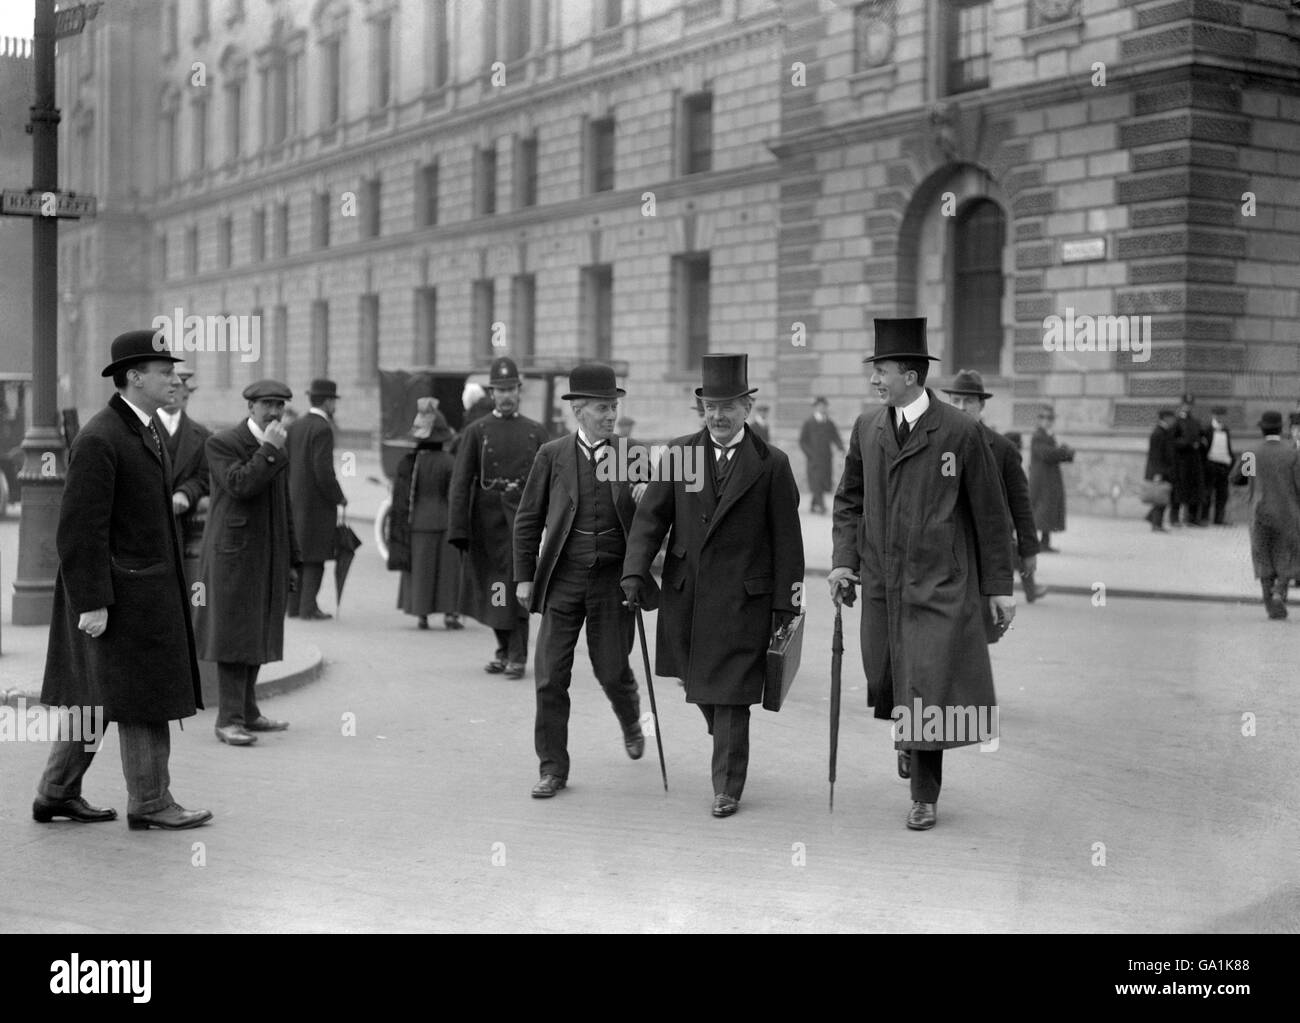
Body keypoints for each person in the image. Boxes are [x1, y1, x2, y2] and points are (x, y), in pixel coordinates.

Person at [829, 318, 1014, 832]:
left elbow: (990, 515)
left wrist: (998, 588)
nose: (874, 380)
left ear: (911, 375)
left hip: (938, 585)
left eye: (882, 370)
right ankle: (909, 737)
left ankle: (924, 794)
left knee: (928, 687)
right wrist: (845, 559)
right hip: (883, 584)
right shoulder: (868, 427)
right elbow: (849, 501)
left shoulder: (960, 431)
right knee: (887, 676)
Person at [34, 330, 212, 831]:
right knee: (143, 699)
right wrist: (91, 602)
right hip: (117, 596)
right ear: (134, 377)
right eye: (165, 371)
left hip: (138, 591)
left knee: (97, 697)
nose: (175, 379)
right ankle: (151, 802)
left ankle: (55, 792)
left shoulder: (142, 428)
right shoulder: (101, 437)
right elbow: (78, 530)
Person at [623, 354, 804, 818]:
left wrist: (787, 605)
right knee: (702, 688)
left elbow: (787, 541)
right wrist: (634, 571)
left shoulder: (771, 464)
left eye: (728, 406)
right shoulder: (681, 455)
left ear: (747, 407)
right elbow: (650, 520)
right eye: (710, 407)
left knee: (732, 696)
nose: (718, 416)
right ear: (701, 409)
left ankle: (727, 785)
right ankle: (723, 734)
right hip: (689, 596)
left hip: (746, 600)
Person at [515, 363, 654, 798]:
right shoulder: (552, 455)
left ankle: (630, 718)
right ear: (578, 410)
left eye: (614, 407)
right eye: (601, 408)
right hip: (563, 578)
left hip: (613, 579)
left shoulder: (631, 453)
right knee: (550, 675)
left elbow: (659, 514)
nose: (611, 416)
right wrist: (523, 577)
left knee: (612, 670)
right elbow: (528, 519)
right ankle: (552, 767)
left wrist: (648, 495)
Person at [196, 380, 298, 746]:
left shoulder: (277, 446)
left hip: (268, 553)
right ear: (251, 407)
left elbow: (285, 504)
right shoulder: (222, 442)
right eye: (268, 404)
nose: (274, 412)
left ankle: (249, 712)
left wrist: (293, 557)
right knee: (234, 636)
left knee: (258, 632)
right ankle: (228, 719)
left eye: (280, 405)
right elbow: (240, 485)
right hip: (233, 556)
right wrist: (270, 450)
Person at [449, 357, 550, 679]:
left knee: (520, 586)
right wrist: (459, 528)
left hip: (522, 523)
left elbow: (552, 482)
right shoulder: (476, 432)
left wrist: (551, 523)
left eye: (511, 389)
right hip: (486, 524)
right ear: (492, 393)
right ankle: (503, 649)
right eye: (500, 390)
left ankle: (518, 655)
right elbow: (461, 482)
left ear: (519, 391)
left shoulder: (536, 432)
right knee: (495, 589)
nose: (506, 396)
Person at [942, 370, 1046, 602]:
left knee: (980, 625)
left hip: (987, 551)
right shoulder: (938, 444)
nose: (961, 407)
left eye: (968, 401)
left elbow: (1021, 503)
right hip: (946, 551)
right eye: (955, 400)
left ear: (981, 405)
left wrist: (1029, 549)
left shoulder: (1003, 449)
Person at [388, 400, 461, 630]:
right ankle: (450, 614)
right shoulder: (450, 462)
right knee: (448, 572)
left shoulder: (410, 462)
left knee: (420, 570)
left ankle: (422, 615)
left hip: (417, 522)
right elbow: (456, 496)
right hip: (446, 522)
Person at [286, 379, 347, 620]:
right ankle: (308, 608)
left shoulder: (295, 425)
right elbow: (323, 470)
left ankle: (293, 608)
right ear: (329, 401)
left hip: (295, 501)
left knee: (299, 557)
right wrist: (339, 496)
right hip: (317, 505)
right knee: (315, 559)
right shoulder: (323, 428)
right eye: (334, 401)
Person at [1230, 411, 1300, 620]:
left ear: (1262, 429)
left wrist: (1255, 480)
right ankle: (1279, 591)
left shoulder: (1252, 453)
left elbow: (1236, 478)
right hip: (1287, 512)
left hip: (1259, 512)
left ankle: (1270, 603)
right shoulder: (1293, 453)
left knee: (1263, 555)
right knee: (1286, 554)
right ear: (1281, 429)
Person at [154, 370, 211, 589]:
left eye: (180, 390)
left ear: (187, 394)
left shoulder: (202, 435)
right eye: (171, 387)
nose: (174, 394)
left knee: (187, 587)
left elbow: (205, 477)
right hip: (146, 524)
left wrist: (186, 492)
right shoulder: (140, 429)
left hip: (184, 525)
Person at [1029, 405, 1074, 552]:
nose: (1046, 421)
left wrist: (1064, 453)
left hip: (1049, 478)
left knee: (1048, 509)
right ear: (1038, 419)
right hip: (1041, 480)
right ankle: (1035, 542)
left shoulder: (1049, 435)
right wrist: (1064, 451)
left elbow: (1054, 454)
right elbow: (1047, 454)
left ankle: (1045, 541)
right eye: (1043, 417)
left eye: (1050, 418)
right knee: (1041, 509)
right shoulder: (1038, 436)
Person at [799, 396, 844, 514]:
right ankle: (822, 505)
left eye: (824, 406)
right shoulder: (809, 423)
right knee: (816, 481)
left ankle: (814, 503)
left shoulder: (829, 422)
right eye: (820, 406)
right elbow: (802, 441)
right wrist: (810, 454)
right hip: (813, 459)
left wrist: (841, 448)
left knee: (823, 481)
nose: (822, 408)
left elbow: (836, 437)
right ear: (815, 407)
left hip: (826, 458)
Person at [1170, 393, 1206, 527]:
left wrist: (1200, 443)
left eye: (1190, 405)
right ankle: (1174, 518)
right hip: (1181, 462)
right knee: (1178, 490)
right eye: (1186, 404)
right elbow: (1173, 441)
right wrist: (1187, 443)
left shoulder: (1195, 421)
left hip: (1194, 461)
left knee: (1194, 489)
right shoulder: (1176, 422)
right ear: (1182, 405)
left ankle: (1192, 518)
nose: (1188, 407)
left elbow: (1202, 436)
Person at [1144, 409, 1177, 533]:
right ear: (1165, 418)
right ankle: (1156, 524)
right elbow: (1155, 455)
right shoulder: (1158, 433)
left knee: (1163, 497)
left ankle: (1152, 518)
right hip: (1160, 470)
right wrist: (1157, 473)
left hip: (1166, 469)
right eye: (1172, 418)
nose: (1173, 420)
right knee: (1160, 497)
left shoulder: (1165, 431)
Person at [1203, 406, 1234, 526]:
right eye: (1217, 415)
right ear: (1213, 415)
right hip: (1210, 465)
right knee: (1208, 493)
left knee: (1222, 494)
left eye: (1222, 415)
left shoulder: (1225, 430)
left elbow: (1228, 447)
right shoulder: (1207, 429)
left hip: (1223, 466)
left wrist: (1231, 460)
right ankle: (1205, 518)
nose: (1220, 417)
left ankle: (1219, 518)